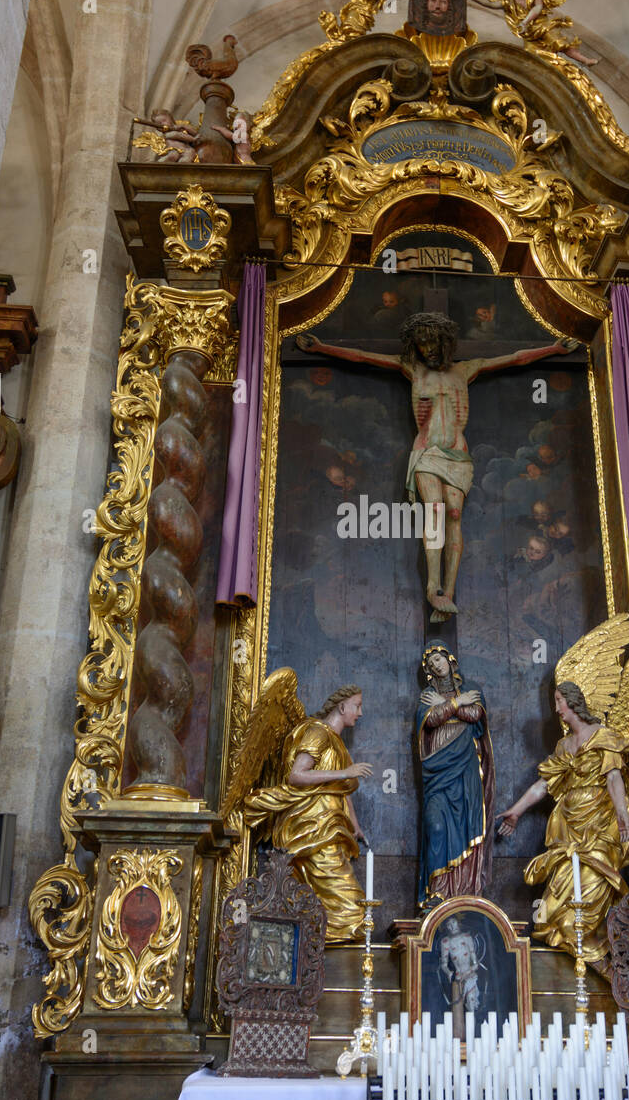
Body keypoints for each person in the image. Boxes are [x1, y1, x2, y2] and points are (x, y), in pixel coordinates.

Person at [297, 314, 563, 620]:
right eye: (421, 344)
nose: (427, 349)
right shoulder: (411, 368)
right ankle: (433, 585)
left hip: (458, 455)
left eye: (432, 341)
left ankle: (449, 590)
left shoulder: (466, 369)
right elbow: (361, 356)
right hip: (426, 452)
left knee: (453, 514)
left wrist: (553, 349)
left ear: (444, 341)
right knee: (435, 509)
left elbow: (515, 359)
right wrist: (321, 348)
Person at [497, 680, 629, 975]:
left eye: (559, 701)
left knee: (585, 902)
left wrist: (621, 812)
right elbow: (544, 785)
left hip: (600, 827)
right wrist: (516, 811)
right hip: (568, 829)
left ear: (574, 702)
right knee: (552, 913)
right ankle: (600, 974)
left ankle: (610, 970)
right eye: (554, 702)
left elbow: (614, 778)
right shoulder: (563, 746)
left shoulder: (604, 736)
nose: (556, 709)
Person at [241, 684, 372, 942]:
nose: (360, 712)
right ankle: (326, 949)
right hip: (312, 829)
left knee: (336, 903)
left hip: (328, 828)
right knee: (353, 909)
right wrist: (346, 772)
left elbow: (340, 789)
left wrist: (354, 825)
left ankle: (317, 943)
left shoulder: (335, 741)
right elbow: (296, 776)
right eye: (357, 705)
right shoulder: (317, 732)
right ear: (342, 707)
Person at [416, 644, 495, 908]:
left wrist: (450, 703)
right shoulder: (427, 695)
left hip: (466, 768)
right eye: (432, 663)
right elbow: (431, 720)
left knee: (468, 825)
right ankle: (437, 891)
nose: (437, 665)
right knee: (436, 825)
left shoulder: (471, 689)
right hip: (437, 771)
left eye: (440, 659)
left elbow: (476, 715)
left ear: (450, 660)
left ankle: (467, 890)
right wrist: (455, 703)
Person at [438, 915, 484, 1042]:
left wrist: (468, 972)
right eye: (448, 925)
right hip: (457, 978)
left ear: (458, 923)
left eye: (453, 922)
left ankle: (472, 1037)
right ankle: (459, 1036)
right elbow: (443, 964)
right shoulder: (445, 942)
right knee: (457, 1007)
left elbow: (475, 964)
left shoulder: (467, 938)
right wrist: (448, 973)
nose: (451, 926)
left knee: (471, 1003)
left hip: (469, 976)